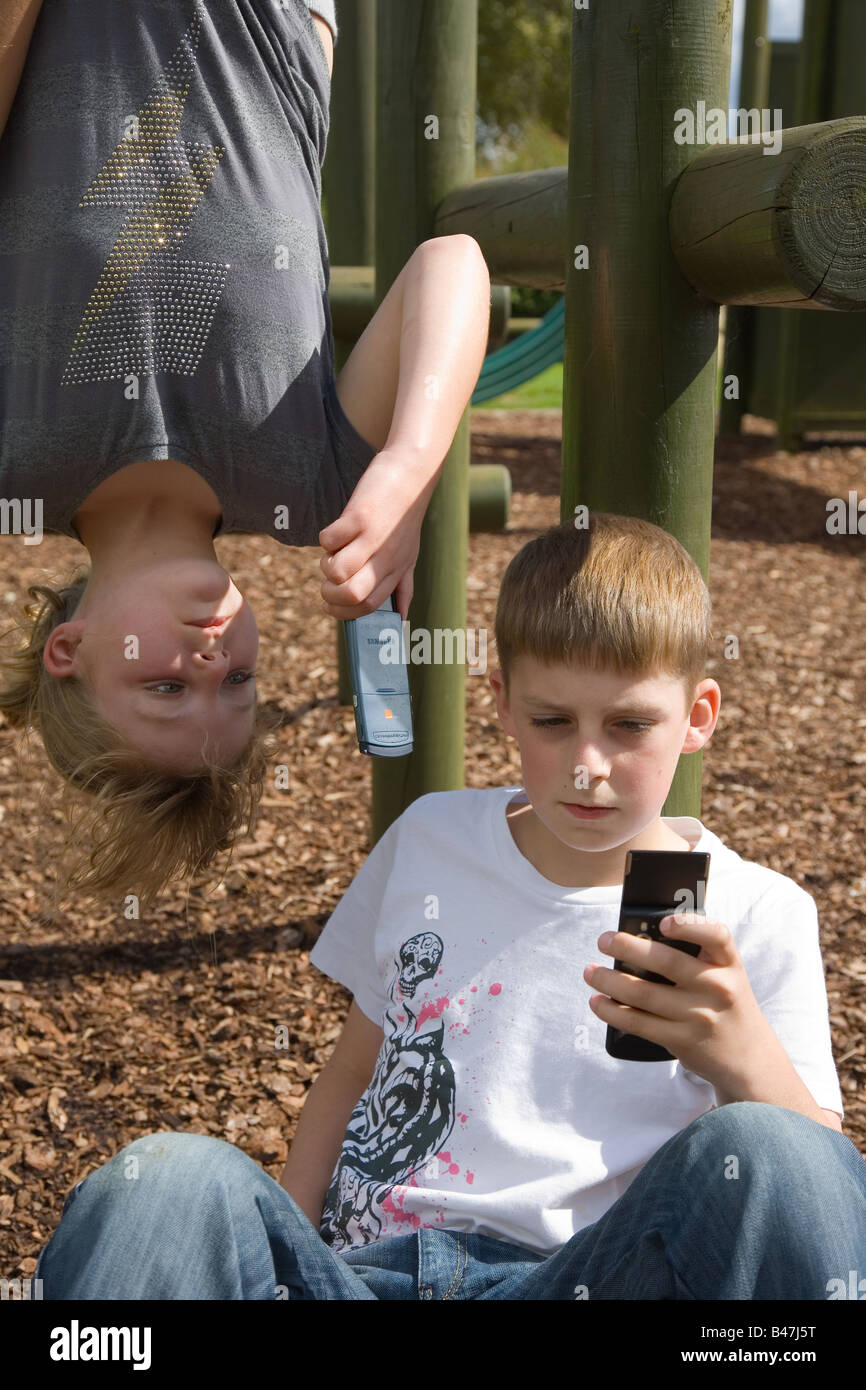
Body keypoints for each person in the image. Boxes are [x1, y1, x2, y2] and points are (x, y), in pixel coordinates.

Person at [34, 511, 866, 1299]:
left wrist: (740, 1056)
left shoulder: (758, 912)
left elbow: (809, 1188)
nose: (588, 764)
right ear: (501, 702)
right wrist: (295, 1243)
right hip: (362, 1277)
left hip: (584, 1276)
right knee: (165, 1182)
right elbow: (354, 1072)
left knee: (772, 1150)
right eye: (551, 720)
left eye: (628, 726)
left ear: (698, 717)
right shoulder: (433, 836)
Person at [0, 0, 491, 910]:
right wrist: (411, 469)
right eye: (239, 683)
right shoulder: (306, 483)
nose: (209, 658)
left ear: (68, 649)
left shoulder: (16, 470)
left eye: (162, 686)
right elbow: (451, 264)